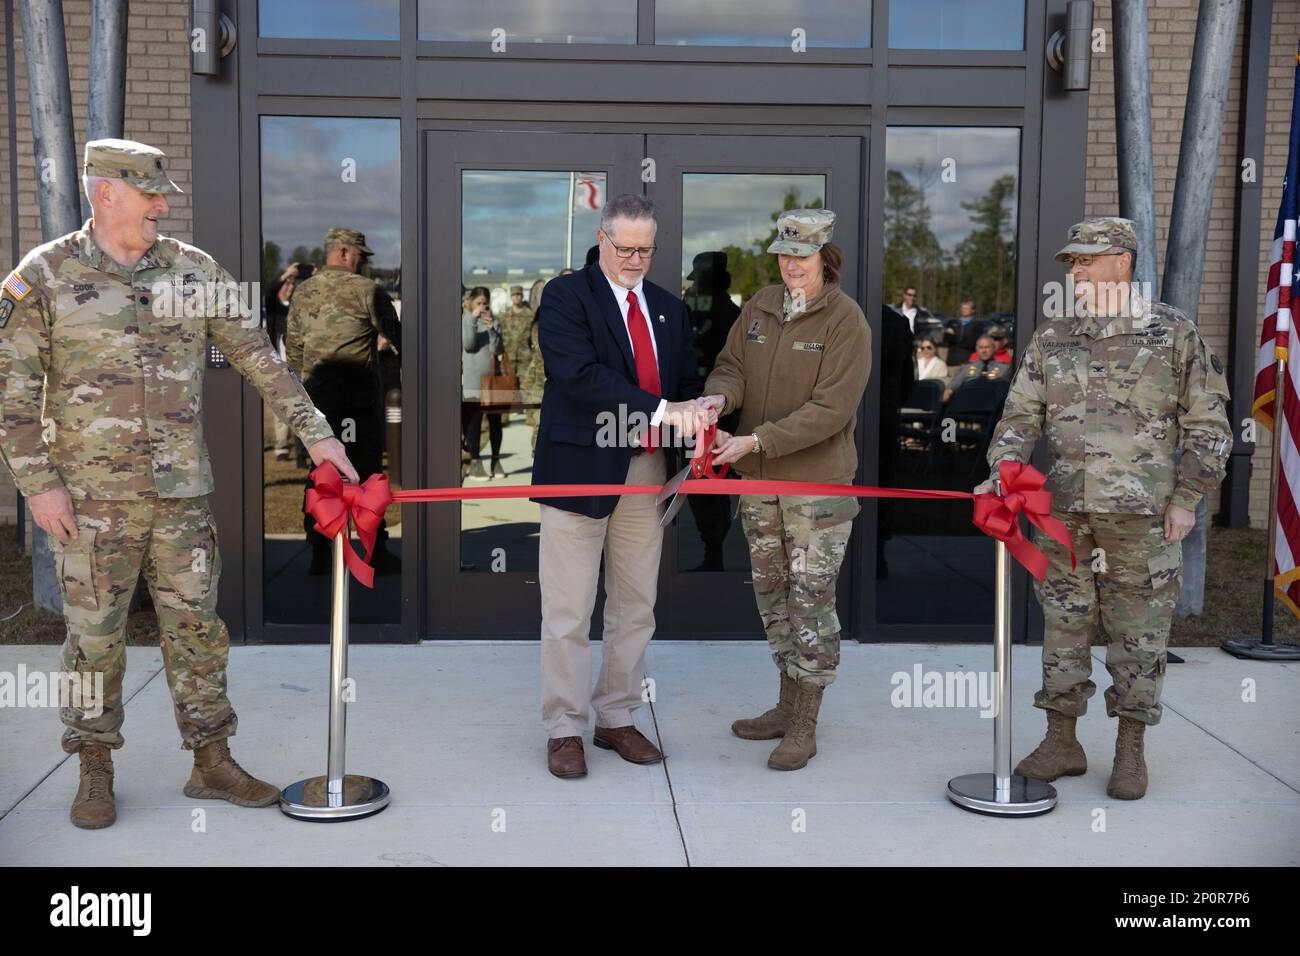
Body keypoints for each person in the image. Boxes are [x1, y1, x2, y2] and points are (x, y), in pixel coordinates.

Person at [0, 139, 358, 829]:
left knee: (197, 629)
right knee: (94, 637)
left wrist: (314, 432)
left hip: (181, 494)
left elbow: (258, 356)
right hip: (88, 501)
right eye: (150, 193)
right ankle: (94, 764)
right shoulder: (42, 276)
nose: (164, 205)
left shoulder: (193, 271)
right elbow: (11, 395)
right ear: (106, 193)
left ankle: (212, 759)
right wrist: (39, 485)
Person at [978, 217, 1232, 800]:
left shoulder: (1172, 334)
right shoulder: (1053, 338)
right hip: (1063, 515)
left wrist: (1188, 499)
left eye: (1088, 261)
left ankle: (1130, 751)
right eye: (1071, 263)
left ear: (1123, 261)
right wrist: (1004, 476)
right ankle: (1062, 741)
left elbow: (1209, 425)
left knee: (1138, 635)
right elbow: (1019, 420)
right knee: (1064, 626)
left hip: (1144, 519)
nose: (1077, 272)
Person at [532, 194, 709, 779]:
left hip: (648, 473)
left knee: (635, 605)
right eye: (625, 247)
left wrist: (702, 411)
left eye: (645, 249)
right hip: (579, 467)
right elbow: (579, 376)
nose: (635, 258)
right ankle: (564, 728)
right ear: (602, 240)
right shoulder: (565, 296)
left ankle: (616, 716)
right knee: (568, 608)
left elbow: (684, 380)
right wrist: (664, 410)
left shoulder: (668, 308)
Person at [699, 209, 872, 771]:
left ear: (825, 256)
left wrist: (757, 441)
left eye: (802, 254)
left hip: (816, 488)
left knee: (811, 600)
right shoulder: (760, 306)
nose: (791, 264)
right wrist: (718, 401)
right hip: (759, 482)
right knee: (773, 594)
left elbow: (830, 410)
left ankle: (805, 723)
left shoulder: (846, 321)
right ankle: (783, 703)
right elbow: (731, 368)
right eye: (784, 253)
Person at [286, 227, 401, 574]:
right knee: (367, 477)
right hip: (357, 402)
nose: (363, 264)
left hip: (317, 405)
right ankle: (374, 550)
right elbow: (398, 337)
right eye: (361, 257)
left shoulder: (304, 292)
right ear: (345, 253)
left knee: (321, 476)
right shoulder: (367, 290)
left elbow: (292, 347)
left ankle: (321, 552)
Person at [684, 251, 742, 571]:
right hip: (693, 408)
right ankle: (712, 549)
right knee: (704, 484)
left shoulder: (729, 314)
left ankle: (713, 551)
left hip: (715, 410)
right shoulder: (726, 311)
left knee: (706, 482)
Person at [264, 262, 312, 460]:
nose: (290, 287)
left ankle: (303, 449)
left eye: (293, 284)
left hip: (298, 365)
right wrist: (285, 275)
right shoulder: (274, 307)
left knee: (303, 406)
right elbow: (270, 290)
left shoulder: (297, 308)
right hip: (279, 366)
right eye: (287, 284)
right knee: (281, 409)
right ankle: (282, 446)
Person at [460, 286, 505, 479]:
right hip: (472, 381)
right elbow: (469, 345)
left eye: (485, 304)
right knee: (474, 423)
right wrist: (473, 318)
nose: (482, 307)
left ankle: (496, 460)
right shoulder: (466, 321)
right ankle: (475, 462)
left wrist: (492, 329)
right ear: (471, 303)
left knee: (496, 421)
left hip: (492, 381)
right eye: (478, 303)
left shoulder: (493, 321)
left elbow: (499, 349)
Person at [498, 284, 534, 420]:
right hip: (509, 355)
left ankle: (531, 417)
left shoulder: (530, 314)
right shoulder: (504, 315)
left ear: (522, 296)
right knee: (508, 386)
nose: (516, 297)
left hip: (526, 356)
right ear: (511, 297)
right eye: (514, 295)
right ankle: (504, 417)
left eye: (518, 295)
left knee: (527, 386)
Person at [943, 335, 1010, 403]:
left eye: (987, 347)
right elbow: (953, 385)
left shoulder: (1004, 368)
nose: (984, 351)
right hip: (969, 403)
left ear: (994, 348)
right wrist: (948, 392)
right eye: (981, 347)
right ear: (976, 349)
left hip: (992, 405)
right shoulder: (966, 368)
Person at [945, 298, 983, 366]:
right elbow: (946, 340)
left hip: (968, 359)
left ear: (973, 310)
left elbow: (972, 343)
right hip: (952, 359)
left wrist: (955, 337)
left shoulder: (977, 325)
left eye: (966, 308)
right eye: (962, 308)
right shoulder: (952, 322)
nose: (963, 310)